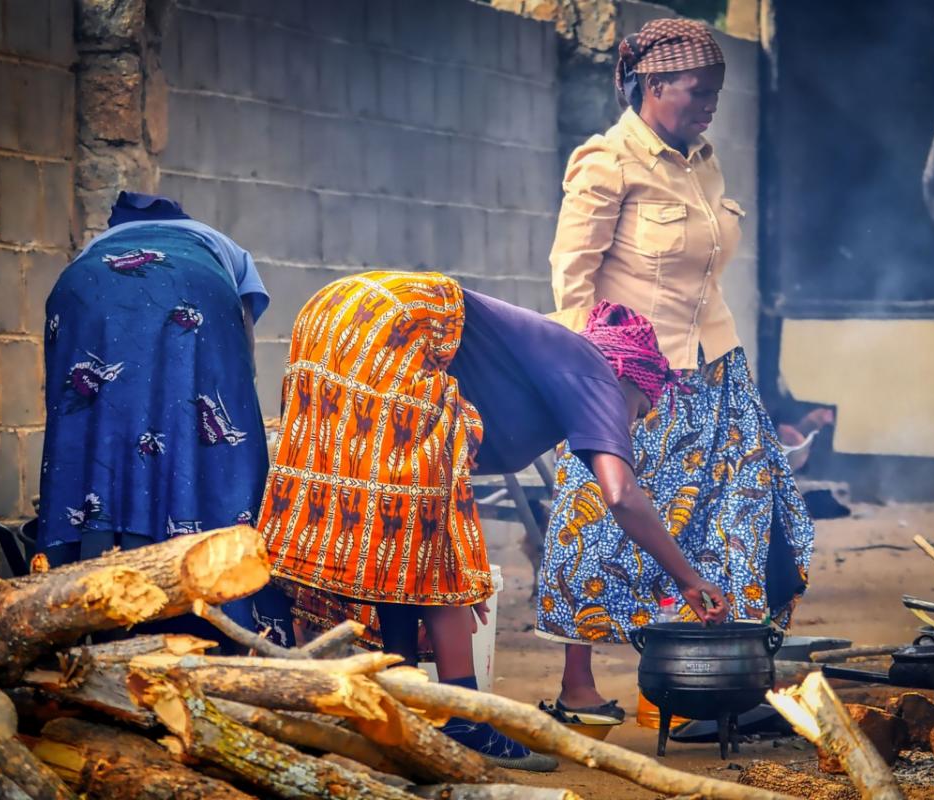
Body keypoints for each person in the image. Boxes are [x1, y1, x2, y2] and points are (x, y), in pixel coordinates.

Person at [254, 271, 728, 771]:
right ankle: (465, 718)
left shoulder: (541, 364)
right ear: (629, 377)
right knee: (440, 538)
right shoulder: (598, 375)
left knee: (401, 531)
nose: (628, 424)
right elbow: (622, 495)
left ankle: (400, 698)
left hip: (336, 312)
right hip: (404, 319)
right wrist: (689, 580)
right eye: (640, 410)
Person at [542, 18, 816, 720]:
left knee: (739, 513)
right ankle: (578, 683)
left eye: (716, 92)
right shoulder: (608, 162)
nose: (709, 104)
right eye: (699, 91)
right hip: (636, 379)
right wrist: (589, 379)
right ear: (654, 85)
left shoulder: (703, 158)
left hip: (717, 372)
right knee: (601, 517)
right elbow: (571, 279)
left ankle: (707, 675)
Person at [37, 191, 271, 639]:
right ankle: (219, 618)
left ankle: (91, 602)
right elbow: (244, 360)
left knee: (93, 429)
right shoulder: (220, 249)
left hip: (82, 289)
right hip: (199, 288)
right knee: (205, 441)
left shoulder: (92, 253)